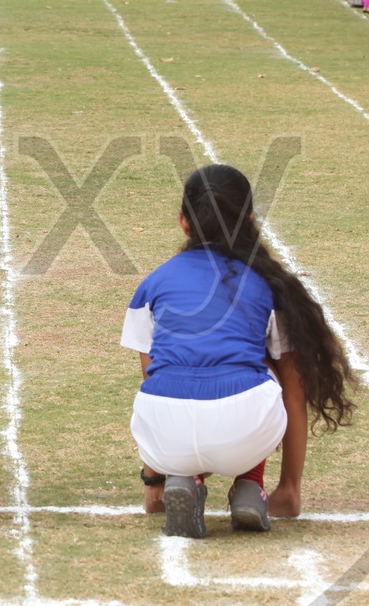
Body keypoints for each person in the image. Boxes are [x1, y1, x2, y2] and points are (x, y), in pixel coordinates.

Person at [121, 165, 354, 538]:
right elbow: (294, 392)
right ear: (248, 219)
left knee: (177, 368)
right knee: (260, 362)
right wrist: (290, 490)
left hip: (165, 439)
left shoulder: (152, 283)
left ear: (183, 222)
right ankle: (251, 484)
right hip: (243, 435)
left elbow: (153, 376)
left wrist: (152, 480)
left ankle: (185, 478)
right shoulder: (268, 284)